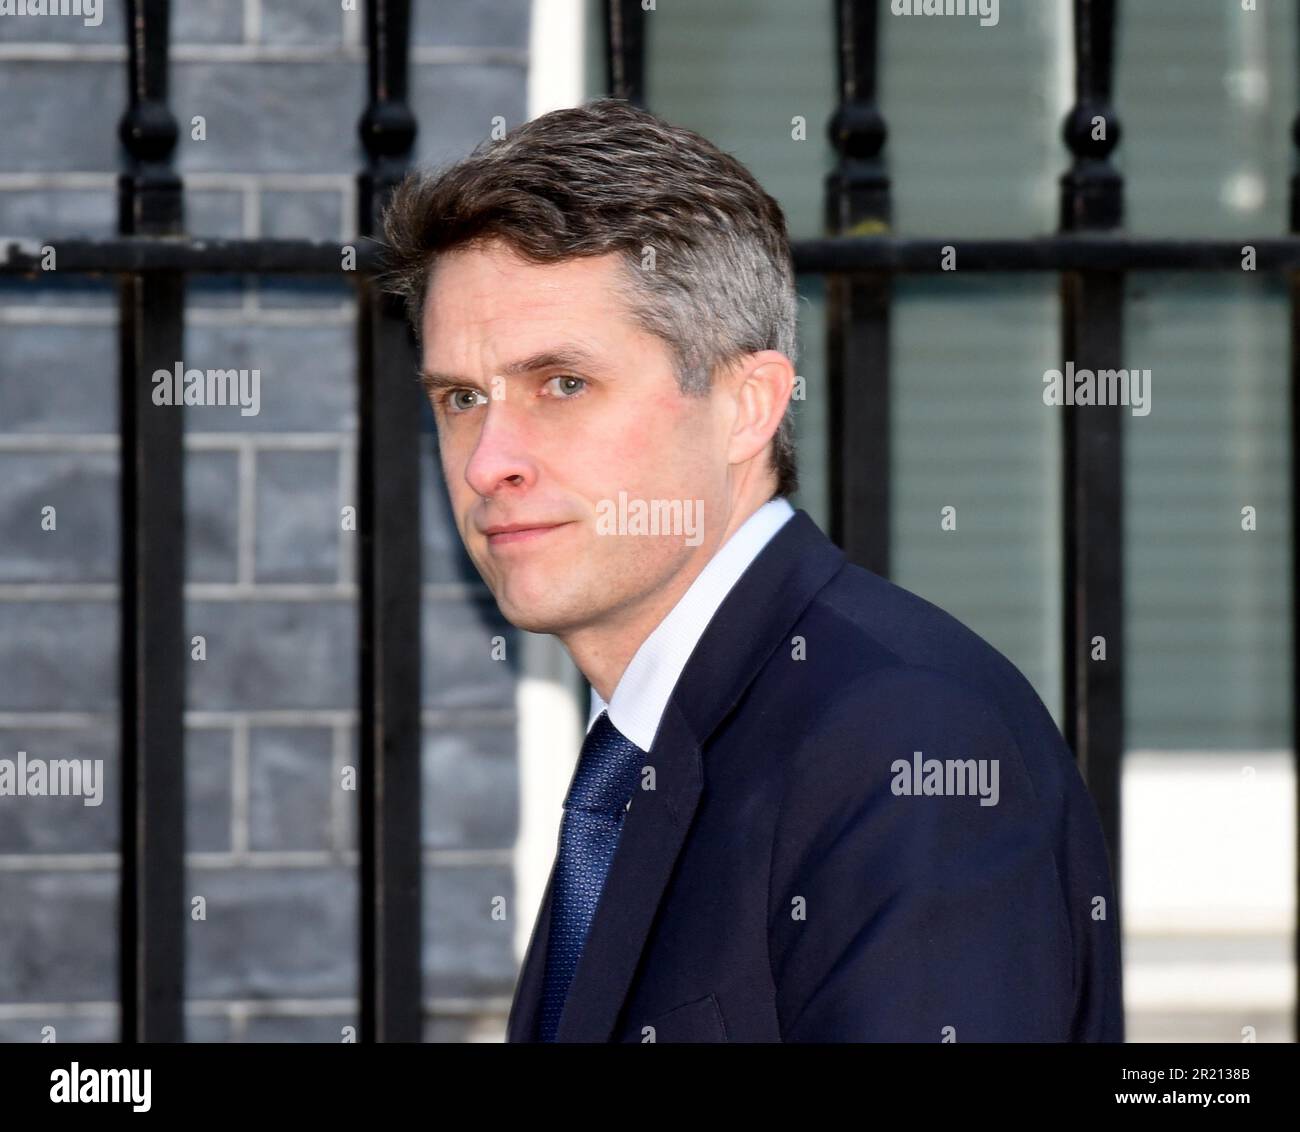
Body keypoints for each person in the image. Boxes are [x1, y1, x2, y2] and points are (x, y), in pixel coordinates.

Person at [381, 97, 1123, 1043]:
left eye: (563, 384)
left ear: (746, 405)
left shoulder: (901, 741)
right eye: (459, 397)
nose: (489, 461)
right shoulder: (656, 736)